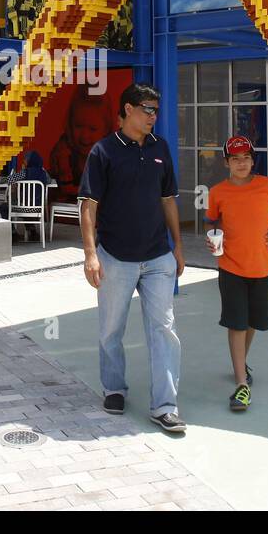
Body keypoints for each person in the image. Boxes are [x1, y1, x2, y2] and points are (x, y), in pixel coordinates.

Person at [79, 82, 186, 433]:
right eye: (147, 109)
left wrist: (178, 248)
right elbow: (88, 205)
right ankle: (113, 388)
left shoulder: (161, 148)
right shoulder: (104, 151)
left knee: (164, 329)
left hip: (157, 257)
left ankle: (165, 406)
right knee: (112, 328)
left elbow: (168, 199)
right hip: (115, 257)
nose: (153, 116)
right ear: (127, 109)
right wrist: (91, 254)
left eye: (156, 110)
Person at [204, 135, 268, 412]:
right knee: (236, 324)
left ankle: (240, 363)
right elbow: (213, 219)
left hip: (261, 266)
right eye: (235, 159)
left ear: (253, 160)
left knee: (254, 321)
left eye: (245, 158)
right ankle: (242, 385)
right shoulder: (218, 191)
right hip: (230, 265)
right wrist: (213, 237)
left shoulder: (266, 186)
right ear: (226, 162)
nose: (241, 164)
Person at [49, 85, 115, 199]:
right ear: (70, 123)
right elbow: (65, 191)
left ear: (106, 130)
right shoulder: (63, 151)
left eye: (93, 129)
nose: (84, 136)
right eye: (78, 126)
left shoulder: (110, 153)